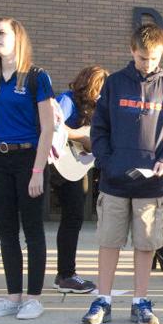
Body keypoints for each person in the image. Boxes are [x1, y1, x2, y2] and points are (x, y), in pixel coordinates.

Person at [81, 23, 163, 324]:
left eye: (154, 58)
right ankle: (103, 300)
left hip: (151, 184)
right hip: (115, 181)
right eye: (143, 58)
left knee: (145, 245)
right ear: (132, 51)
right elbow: (98, 129)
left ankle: (140, 302)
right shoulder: (114, 84)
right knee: (109, 241)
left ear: (162, 53)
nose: (148, 64)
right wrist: (106, 162)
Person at [0, 18, 55, 320]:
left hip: (28, 160)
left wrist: (38, 171)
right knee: (6, 232)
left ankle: (33, 298)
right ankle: (13, 296)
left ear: (17, 37)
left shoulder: (37, 77)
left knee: (33, 231)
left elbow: (48, 127)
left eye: (2, 33)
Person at [50, 65, 107, 294]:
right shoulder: (67, 100)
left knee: (74, 219)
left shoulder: (95, 110)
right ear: (89, 84)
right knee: (71, 218)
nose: (103, 93)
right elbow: (54, 126)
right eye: (100, 88)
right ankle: (65, 275)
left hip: (78, 167)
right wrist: (81, 135)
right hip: (62, 165)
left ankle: (67, 273)